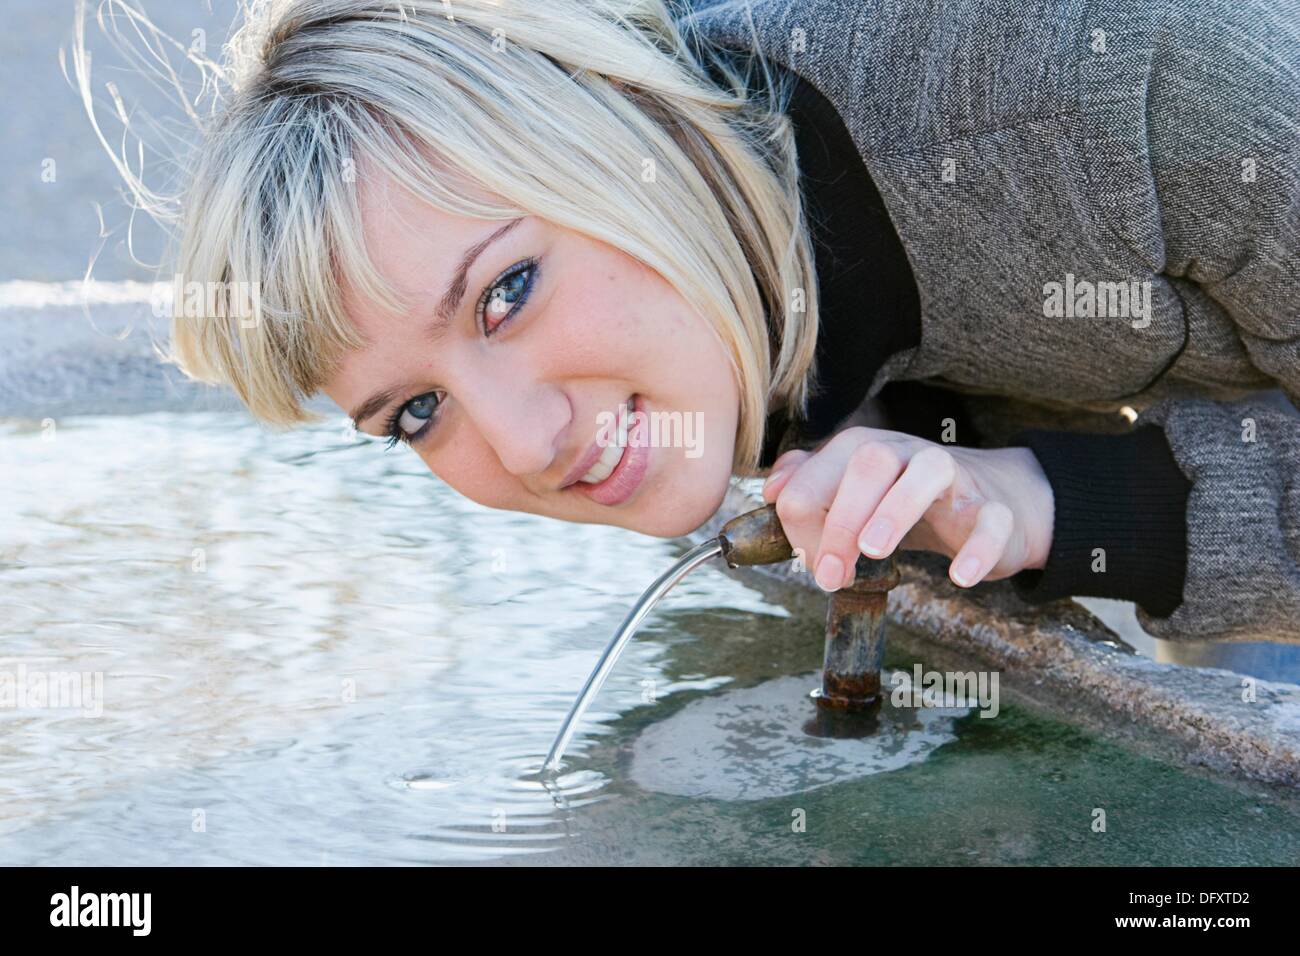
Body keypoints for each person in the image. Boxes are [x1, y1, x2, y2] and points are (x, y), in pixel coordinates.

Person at [75, 0, 1300, 642]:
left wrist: (1056, 505)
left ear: (624, 129)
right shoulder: (687, 301)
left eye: (505, 291)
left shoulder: (1132, 73)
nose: (523, 444)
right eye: (416, 412)